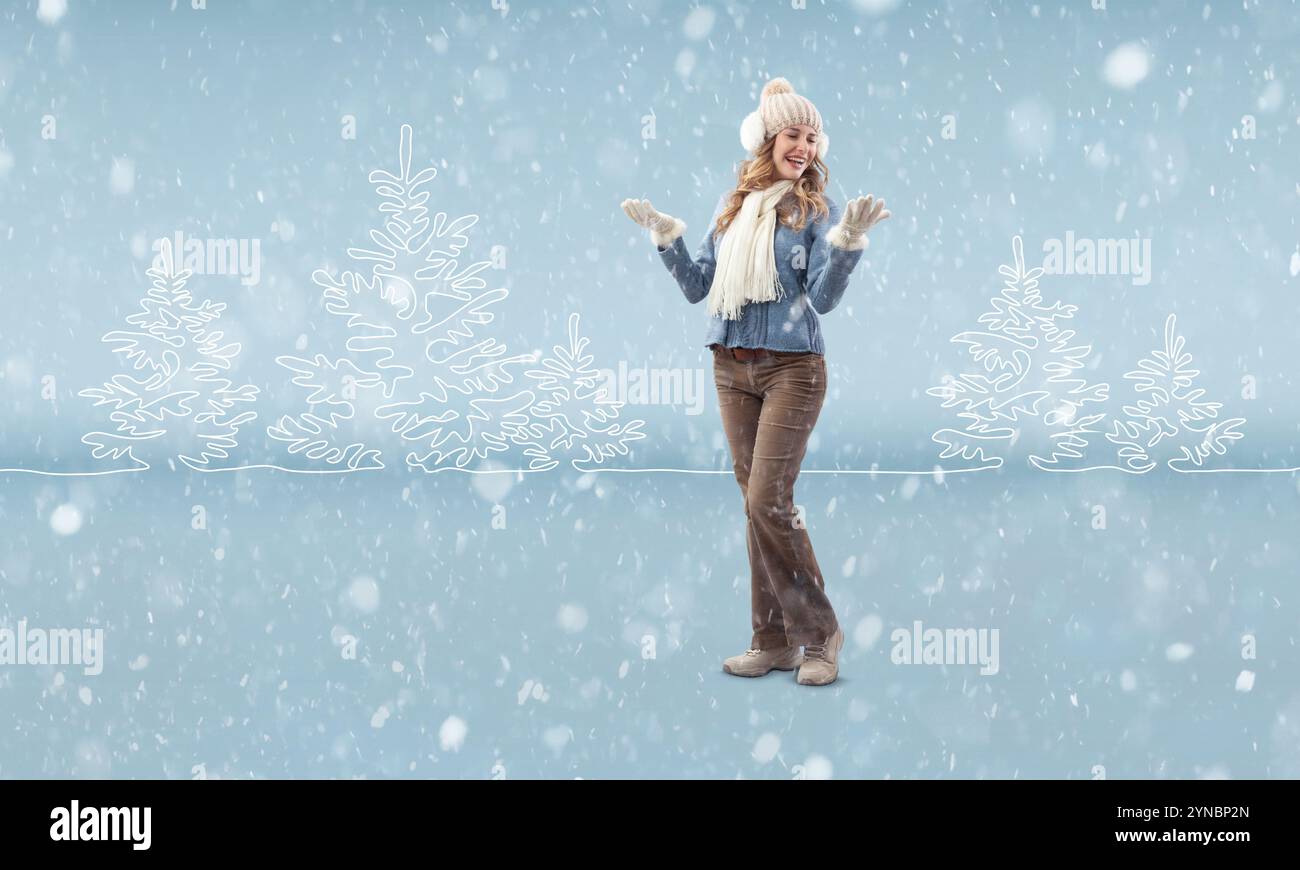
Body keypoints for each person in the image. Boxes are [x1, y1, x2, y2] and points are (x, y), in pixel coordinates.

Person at [621, 77, 890, 686]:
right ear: (768, 140)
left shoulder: (813, 213)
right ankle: (772, 640)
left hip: (793, 368)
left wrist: (846, 243)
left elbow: (822, 299)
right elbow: (699, 287)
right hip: (730, 366)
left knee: (769, 499)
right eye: (794, 134)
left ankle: (819, 637)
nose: (805, 146)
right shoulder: (735, 209)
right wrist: (667, 238)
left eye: (812, 136)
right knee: (754, 506)